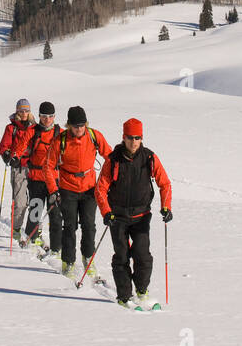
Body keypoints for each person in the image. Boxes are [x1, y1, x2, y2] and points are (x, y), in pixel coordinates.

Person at [95, 117, 172, 308]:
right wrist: (106, 212)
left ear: (142, 138)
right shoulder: (113, 159)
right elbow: (100, 189)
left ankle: (142, 290)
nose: (134, 141)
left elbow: (165, 183)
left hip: (141, 217)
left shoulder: (149, 158)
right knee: (121, 256)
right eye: (130, 137)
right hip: (117, 217)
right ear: (124, 137)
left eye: (137, 137)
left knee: (142, 255)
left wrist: (166, 207)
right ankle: (124, 296)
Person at [46, 106, 112, 278]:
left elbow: (110, 158)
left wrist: (108, 179)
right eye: (75, 126)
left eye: (82, 125)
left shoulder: (94, 136)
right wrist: (53, 190)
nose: (79, 129)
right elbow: (49, 167)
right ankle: (68, 262)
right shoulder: (60, 140)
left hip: (90, 188)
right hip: (68, 188)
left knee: (89, 226)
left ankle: (88, 259)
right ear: (69, 126)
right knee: (69, 227)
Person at [22, 101, 63, 254]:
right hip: (36, 178)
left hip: (54, 179)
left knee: (55, 214)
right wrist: (14, 156)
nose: (47, 119)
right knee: (36, 209)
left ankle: (56, 247)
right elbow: (22, 145)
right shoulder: (33, 131)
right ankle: (32, 238)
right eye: (44, 116)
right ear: (39, 116)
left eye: (51, 116)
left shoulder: (60, 133)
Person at [0, 98, 36, 243]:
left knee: (36, 201)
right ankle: (16, 229)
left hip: (34, 168)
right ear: (17, 111)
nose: (24, 113)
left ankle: (33, 231)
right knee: (20, 203)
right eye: (21, 110)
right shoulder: (11, 128)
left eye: (26, 110)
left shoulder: (35, 127)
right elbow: (3, 146)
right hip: (18, 168)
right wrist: (7, 154)